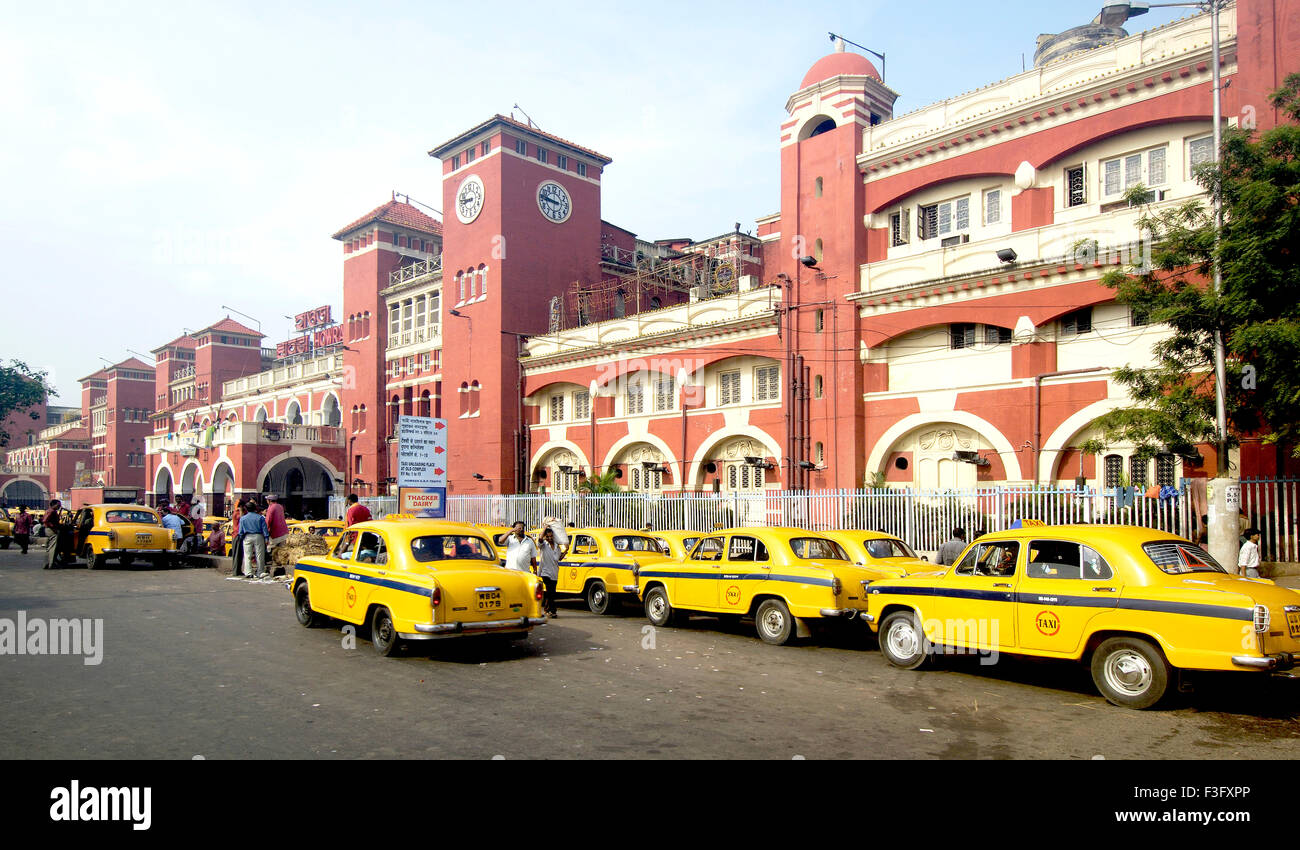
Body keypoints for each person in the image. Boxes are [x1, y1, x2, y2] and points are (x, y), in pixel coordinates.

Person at [536, 525, 566, 617]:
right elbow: (540, 540)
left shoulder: (557, 547)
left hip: (554, 572)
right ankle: (553, 611)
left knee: (551, 592)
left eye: (551, 536)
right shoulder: (544, 545)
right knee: (550, 591)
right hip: (545, 572)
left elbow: (558, 558)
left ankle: (547, 608)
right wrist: (545, 527)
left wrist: (565, 552)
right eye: (547, 536)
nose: (549, 538)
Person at [239, 502, 271, 579]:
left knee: (247, 555)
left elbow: (240, 531)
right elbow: (265, 529)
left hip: (247, 536)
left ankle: (248, 572)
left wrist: (241, 537)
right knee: (259, 554)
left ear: (246, 509)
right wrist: (266, 538)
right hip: (258, 536)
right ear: (255, 509)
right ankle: (260, 571)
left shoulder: (243, 518)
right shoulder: (260, 517)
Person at [42, 500, 69, 569]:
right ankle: (51, 564)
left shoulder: (49, 511)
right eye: (58, 505)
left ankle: (47, 563)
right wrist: (53, 527)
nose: (59, 506)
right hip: (51, 530)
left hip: (49, 529)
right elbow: (45, 521)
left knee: (50, 547)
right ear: (53, 505)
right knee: (53, 548)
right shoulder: (52, 511)